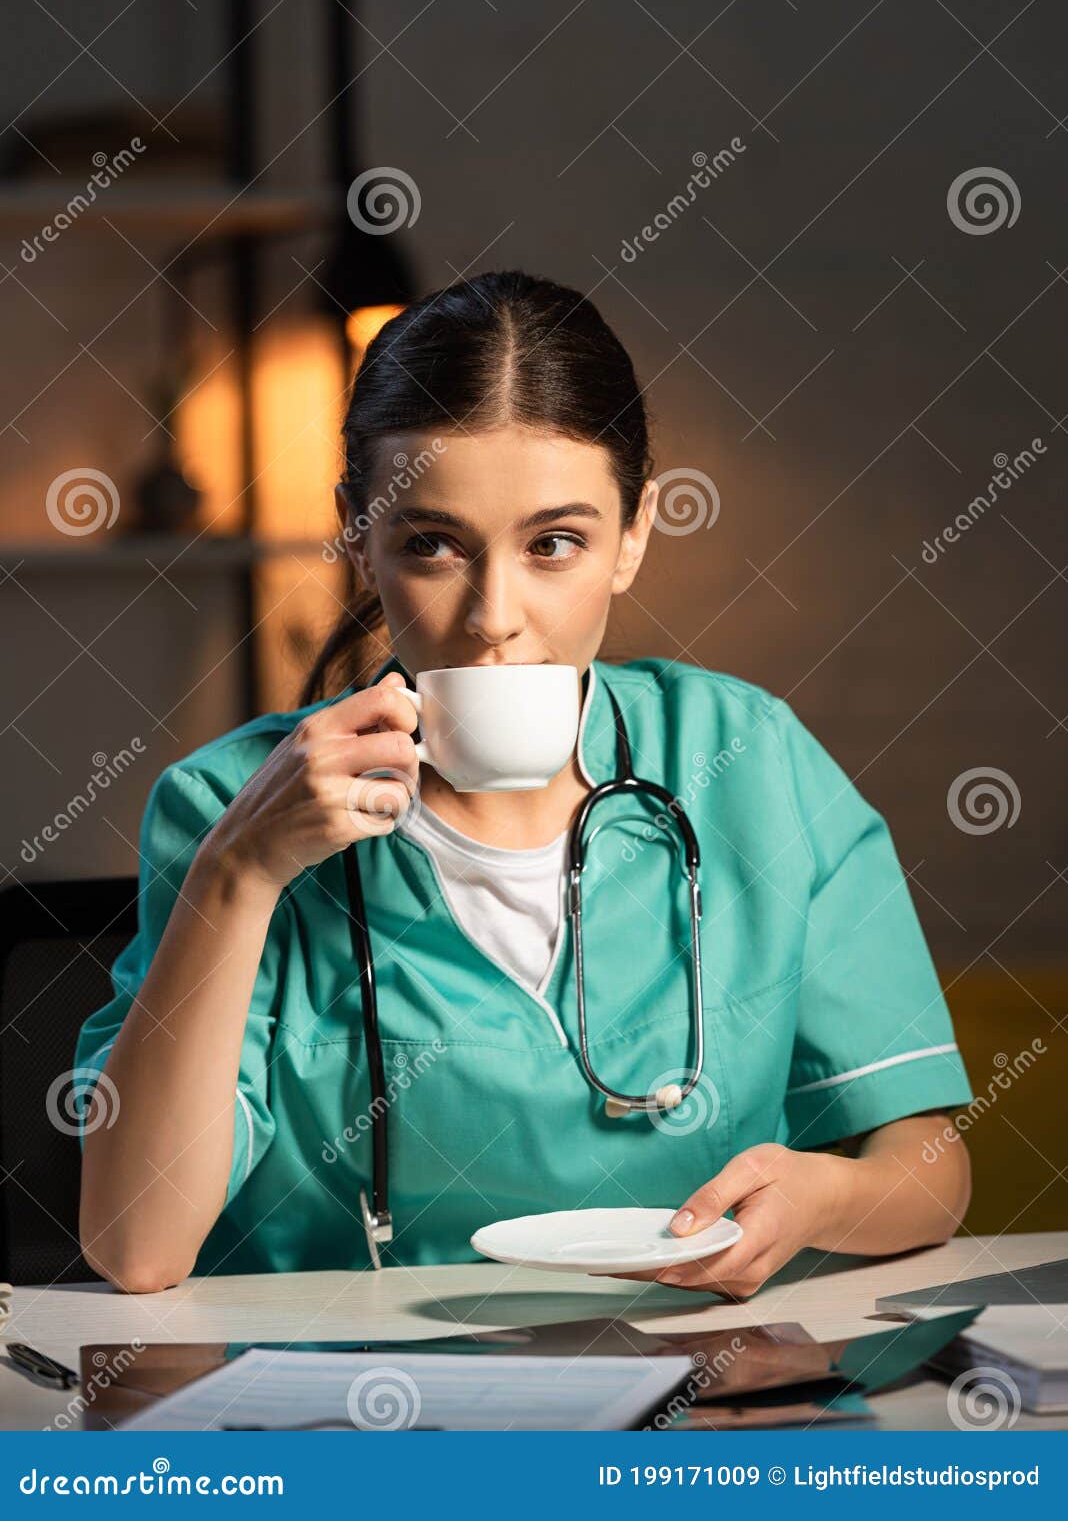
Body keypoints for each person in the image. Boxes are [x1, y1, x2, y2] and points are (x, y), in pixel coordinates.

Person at [75, 269, 972, 1296]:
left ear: (632, 536)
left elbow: (931, 1172)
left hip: (694, 1398)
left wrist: (819, 1200)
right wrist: (238, 874)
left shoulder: (752, 761)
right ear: (359, 539)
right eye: (431, 544)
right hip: (359, 1417)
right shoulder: (227, 805)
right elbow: (136, 1246)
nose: (493, 614)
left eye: (555, 543)